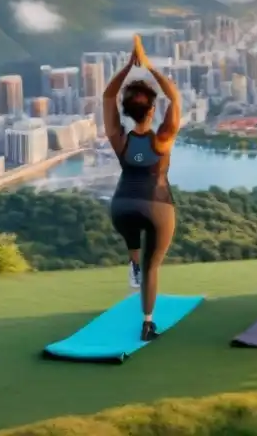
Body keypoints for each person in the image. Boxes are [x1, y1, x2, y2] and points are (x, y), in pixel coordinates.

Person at [102, 34, 182, 342]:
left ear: (126, 110)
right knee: (154, 267)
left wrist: (127, 68)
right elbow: (175, 98)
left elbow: (107, 98)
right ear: (152, 109)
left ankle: (132, 260)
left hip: (122, 208)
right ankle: (147, 323)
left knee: (133, 238)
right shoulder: (162, 138)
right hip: (157, 206)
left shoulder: (119, 139)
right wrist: (148, 66)